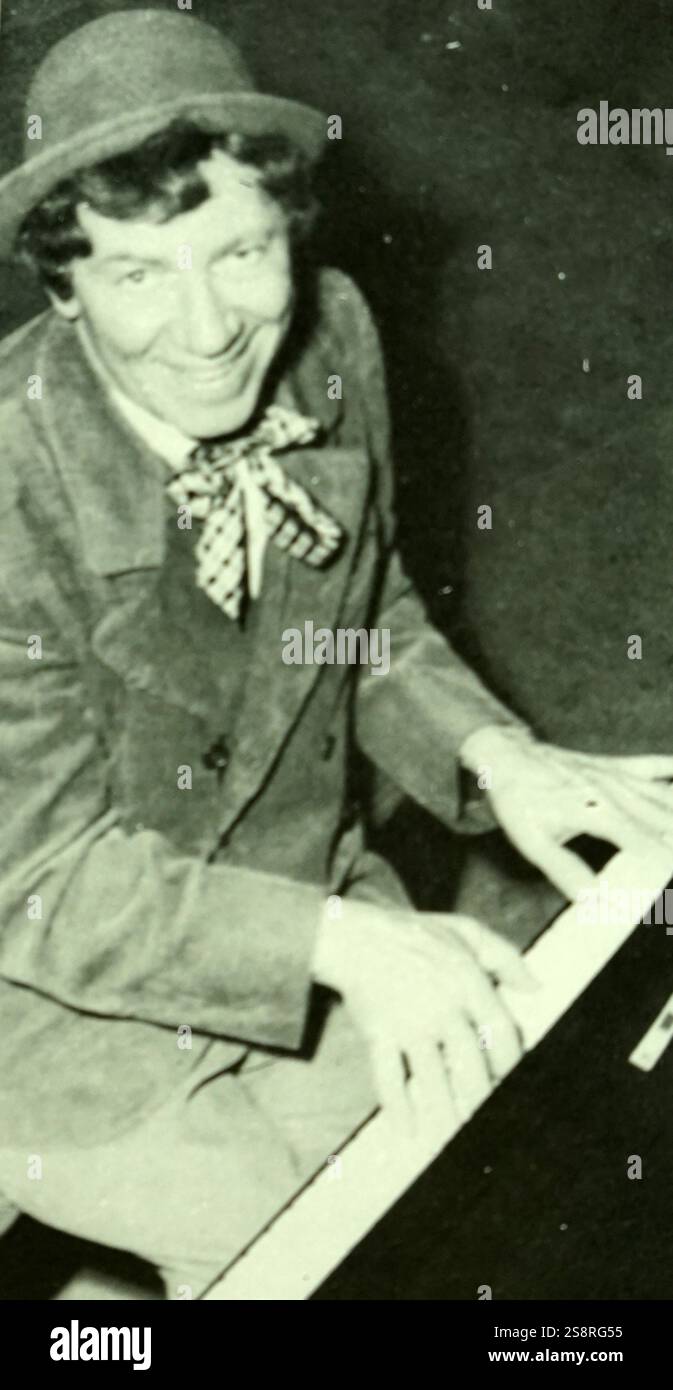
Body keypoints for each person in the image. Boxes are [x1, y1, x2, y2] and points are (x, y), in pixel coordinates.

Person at [1, 9, 672, 1298]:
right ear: (62, 282)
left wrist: (498, 749)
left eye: (241, 251)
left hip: (291, 901)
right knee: (348, 1268)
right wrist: (352, 948)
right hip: (53, 1026)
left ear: (289, 233)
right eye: (141, 274)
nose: (211, 331)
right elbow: (40, 880)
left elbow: (357, 619)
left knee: (488, 1174)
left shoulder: (329, 338)